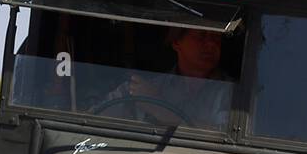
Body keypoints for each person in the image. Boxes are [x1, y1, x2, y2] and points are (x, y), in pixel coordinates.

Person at [95, 28, 233, 128]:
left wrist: (159, 109)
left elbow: (224, 138)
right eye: (201, 36)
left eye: (216, 38)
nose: (211, 45)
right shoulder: (142, 87)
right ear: (176, 42)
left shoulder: (233, 94)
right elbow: (91, 121)